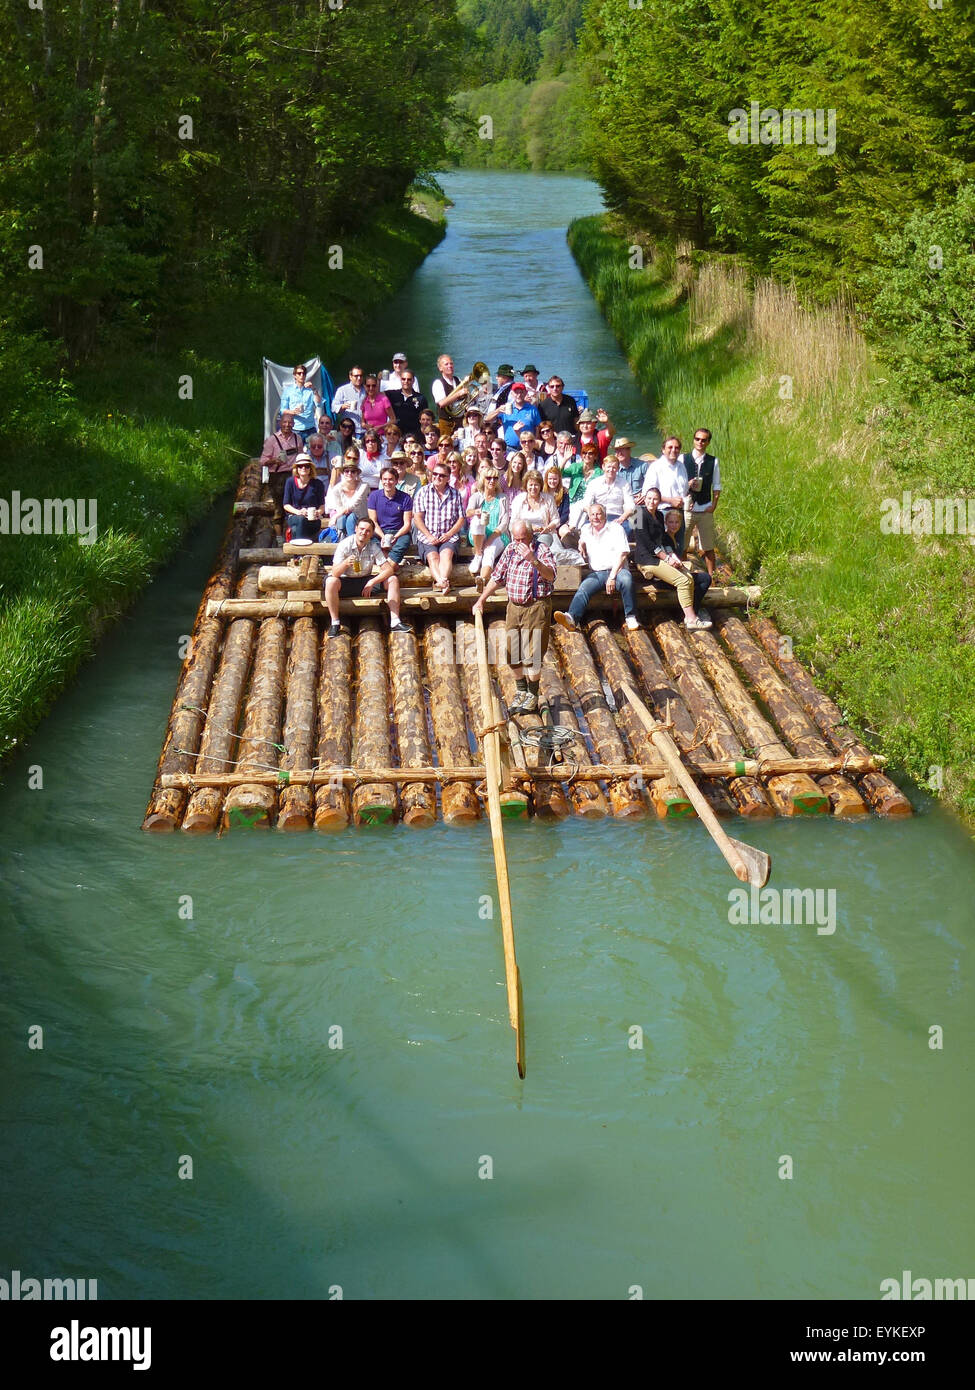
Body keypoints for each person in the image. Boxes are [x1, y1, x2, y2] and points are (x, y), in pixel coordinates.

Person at [473, 519, 556, 713]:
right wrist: (481, 600)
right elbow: (497, 577)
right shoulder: (510, 549)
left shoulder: (542, 550)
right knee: (512, 652)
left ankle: (533, 695)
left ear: (530, 536)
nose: (519, 543)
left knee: (534, 655)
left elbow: (551, 575)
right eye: (516, 539)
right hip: (514, 607)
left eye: (522, 539)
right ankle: (522, 690)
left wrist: (532, 560)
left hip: (536, 606)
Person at [555, 502, 641, 632]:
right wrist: (581, 546)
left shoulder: (616, 528)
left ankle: (631, 616)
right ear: (589, 517)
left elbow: (623, 554)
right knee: (584, 588)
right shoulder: (585, 530)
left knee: (627, 581)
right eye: (592, 514)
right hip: (597, 573)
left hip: (618, 570)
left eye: (598, 514)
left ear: (605, 515)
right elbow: (581, 543)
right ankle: (571, 617)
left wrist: (612, 577)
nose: (595, 517)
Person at [634, 488, 712, 630]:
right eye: (649, 498)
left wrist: (672, 557)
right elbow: (645, 540)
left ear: (659, 501)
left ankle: (689, 615)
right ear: (645, 499)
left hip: (661, 557)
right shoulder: (638, 514)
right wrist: (666, 558)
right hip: (647, 560)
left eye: (655, 499)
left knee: (689, 578)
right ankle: (691, 619)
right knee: (682, 581)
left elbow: (662, 540)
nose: (651, 501)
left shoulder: (658, 514)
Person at [324, 518, 411, 637]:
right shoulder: (345, 544)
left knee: (393, 579)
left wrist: (372, 581)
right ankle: (335, 623)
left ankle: (395, 622)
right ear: (356, 529)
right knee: (331, 581)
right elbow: (334, 573)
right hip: (346, 581)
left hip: (365, 581)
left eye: (368, 531)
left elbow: (389, 569)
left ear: (371, 534)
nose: (364, 532)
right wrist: (345, 564)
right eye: (361, 529)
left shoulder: (373, 546)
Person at [414, 458, 466, 592]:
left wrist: (449, 534)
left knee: (446, 554)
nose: (438, 477)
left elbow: (461, 518)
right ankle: (443, 583)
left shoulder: (455, 494)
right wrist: (429, 536)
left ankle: (440, 583)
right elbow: (418, 518)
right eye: (435, 474)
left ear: (448, 478)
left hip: (448, 535)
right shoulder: (422, 492)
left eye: (442, 475)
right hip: (427, 535)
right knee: (433, 557)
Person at [678, 427, 721, 577]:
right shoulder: (683, 459)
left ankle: (711, 577)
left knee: (708, 546)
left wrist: (714, 505)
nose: (700, 442)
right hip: (687, 508)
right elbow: (677, 483)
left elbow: (716, 485)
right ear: (693, 440)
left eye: (704, 440)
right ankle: (684, 575)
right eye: (697, 439)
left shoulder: (713, 461)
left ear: (708, 442)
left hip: (705, 507)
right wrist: (686, 488)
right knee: (682, 545)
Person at [466, 465, 510, 584]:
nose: (492, 481)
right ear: (483, 479)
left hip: (498, 535)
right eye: (488, 478)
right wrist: (476, 512)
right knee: (476, 521)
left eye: (495, 478)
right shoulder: (476, 496)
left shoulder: (503, 498)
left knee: (490, 550)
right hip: (479, 535)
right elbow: (468, 512)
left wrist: (491, 538)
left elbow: (504, 522)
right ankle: (478, 553)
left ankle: (482, 579)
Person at [644, 436, 689, 544]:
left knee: (679, 545)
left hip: (679, 512)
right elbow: (647, 492)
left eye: (677, 448)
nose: (674, 450)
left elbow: (684, 489)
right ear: (663, 449)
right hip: (663, 512)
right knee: (666, 546)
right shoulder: (656, 467)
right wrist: (670, 500)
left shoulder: (681, 466)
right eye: (670, 447)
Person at [368, 465, 415, 568]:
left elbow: (407, 524)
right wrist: (382, 536)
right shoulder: (374, 496)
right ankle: (392, 567)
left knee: (405, 541)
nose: (387, 482)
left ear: (396, 481)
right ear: (381, 480)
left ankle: (386, 567)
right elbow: (373, 522)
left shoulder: (405, 498)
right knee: (372, 541)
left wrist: (396, 536)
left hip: (398, 532)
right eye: (385, 479)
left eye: (391, 479)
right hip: (379, 531)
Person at [582, 453, 636, 528]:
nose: (611, 470)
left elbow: (630, 506)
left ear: (618, 469)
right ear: (603, 467)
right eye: (609, 467)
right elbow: (586, 504)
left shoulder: (624, 484)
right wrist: (593, 516)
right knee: (586, 527)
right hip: (598, 516)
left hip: (618, 516)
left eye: (614, 467)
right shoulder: (594, 483)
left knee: (629, 529)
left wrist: (622, 518)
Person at [322, 455, 370, 538]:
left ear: (357, 474)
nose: (349, 473)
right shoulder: (337, 489)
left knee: (351, 518)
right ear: (343, 473)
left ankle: (351, 542)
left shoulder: (364, 486)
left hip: (361, 518)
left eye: (353, 471)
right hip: (344, 518)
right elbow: (339, 508)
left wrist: (335, 516)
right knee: (344, 519)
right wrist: (339, 515)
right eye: (347, 471)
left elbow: (353, 504)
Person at [282, 454, 326, 541]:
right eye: (300, 466)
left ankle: (299, 552)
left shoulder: (318, 484)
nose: (303, 468)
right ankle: (301, 551)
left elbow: (322, 506)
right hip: (294, 516)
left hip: (312, 519)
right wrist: (298, 512)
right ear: (296, 468)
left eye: (306, 466)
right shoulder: (290, 482)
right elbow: (286, 505)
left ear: (311, 468)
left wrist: (317, 512)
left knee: (297, 528)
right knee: (301, 520)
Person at [487, 381, 541, 449]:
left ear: (525, 393)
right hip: (510, 448)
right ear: (512, 394)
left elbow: (537, 428)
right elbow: (487, 419)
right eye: (516, 392)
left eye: (521, 392)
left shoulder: (532, 409)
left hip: (528, 447)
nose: (518, 395)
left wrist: (534, 444)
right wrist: (498, 410)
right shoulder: (506, 408)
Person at [279, 363, 322, 442]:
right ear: (294, 376)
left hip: (310, 428)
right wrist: (293, 412)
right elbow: (282, 411)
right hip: (295, 429)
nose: (302, 375)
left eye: (304, 373)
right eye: (299, 373)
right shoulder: (288, 391)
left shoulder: (310, 390)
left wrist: (314, 390)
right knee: (296, 453)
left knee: (313, 453)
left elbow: (319, 404)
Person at [430, 353, 471, 435]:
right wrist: (458, 394)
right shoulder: (438, 383)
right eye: (446, 364)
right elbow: (442, 403)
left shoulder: (457, 380)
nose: (450, 366)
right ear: (440, 368)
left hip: (460, 421)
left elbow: (465, 399)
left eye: (451, 363)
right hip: (446, 423)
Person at [386, 368, 428, 437]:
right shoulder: (392, 395)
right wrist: (379, 380)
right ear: (400, 380)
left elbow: (426, 419)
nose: (406, 381)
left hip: (414, 436)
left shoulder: (421, 398)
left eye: (409, 379)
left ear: (413, 380)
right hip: (396, 435)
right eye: (403, 379)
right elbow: (376, 394)